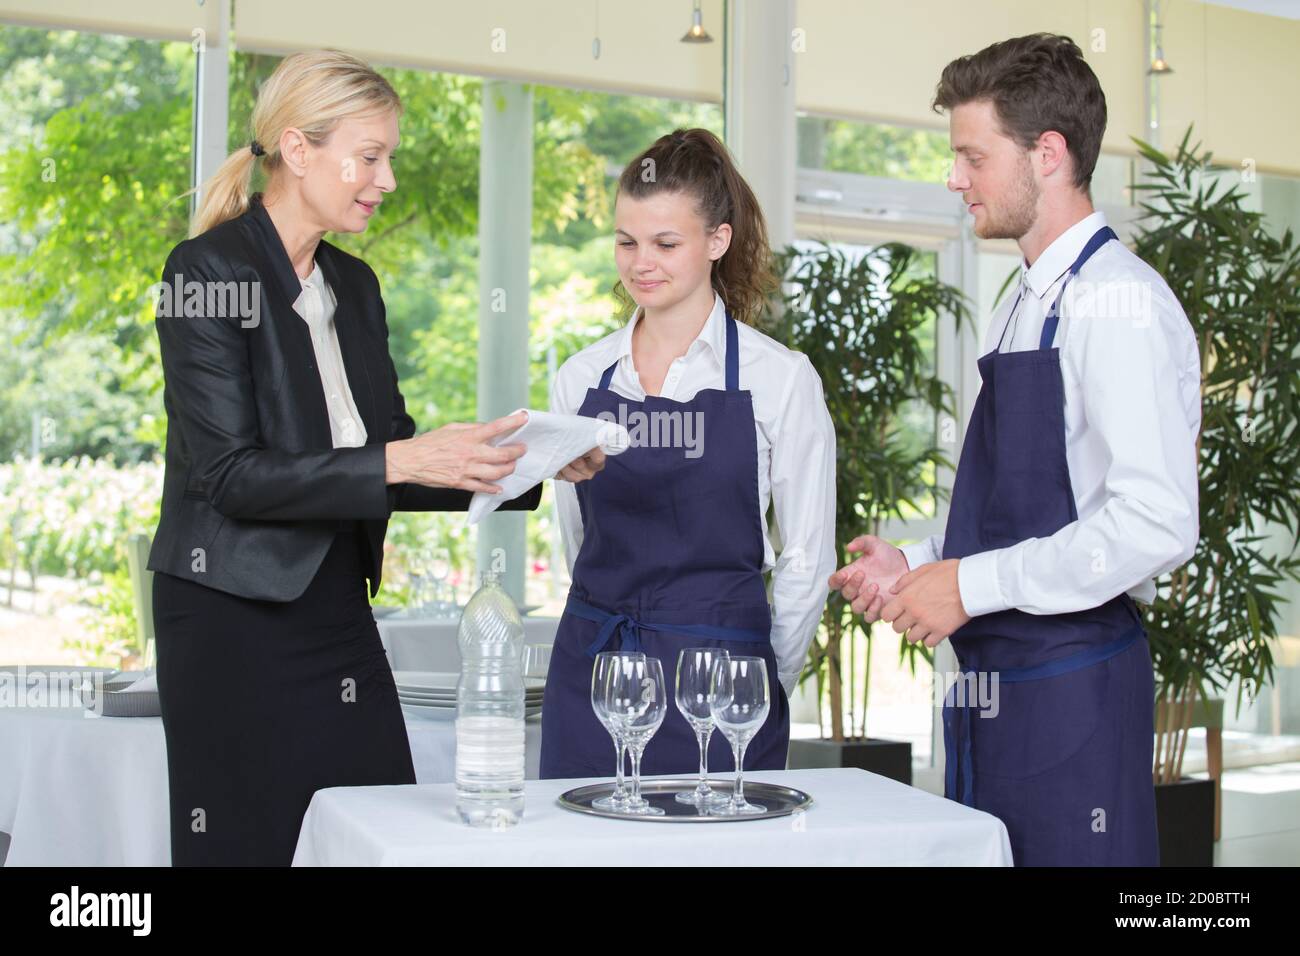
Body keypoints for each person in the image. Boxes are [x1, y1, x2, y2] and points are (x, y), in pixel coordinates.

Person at [149, 49, 603, 865]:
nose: (386, 178)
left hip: (333, 607)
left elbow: (392, 451)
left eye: (387, 156)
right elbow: (230, 476)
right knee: (246, 844)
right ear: (297, 149)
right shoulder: (205, 274)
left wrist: (522, 462)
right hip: (228, 612)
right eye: (370, 156)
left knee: (376, 828)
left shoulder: (354, 287)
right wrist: (405, 461)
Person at [829, 34, 1200, 866]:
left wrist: (969, 584)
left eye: (971, 156)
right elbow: (1027, 503)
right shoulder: (1022, 301)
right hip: (997, 692)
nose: (954, 178)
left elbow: (1155, 524)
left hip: (1074, 695)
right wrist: (922, 563)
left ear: (1049, 153)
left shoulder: (1120, 305)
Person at [540, 128, 837, 780]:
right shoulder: (578, 380)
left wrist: (757, 679)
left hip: (723, 693)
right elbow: (576, 538)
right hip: (594, 676)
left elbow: (807, 561)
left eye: (665, 243)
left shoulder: (780, 380)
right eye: (626, 241)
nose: (641, 262)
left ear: (717, 241)